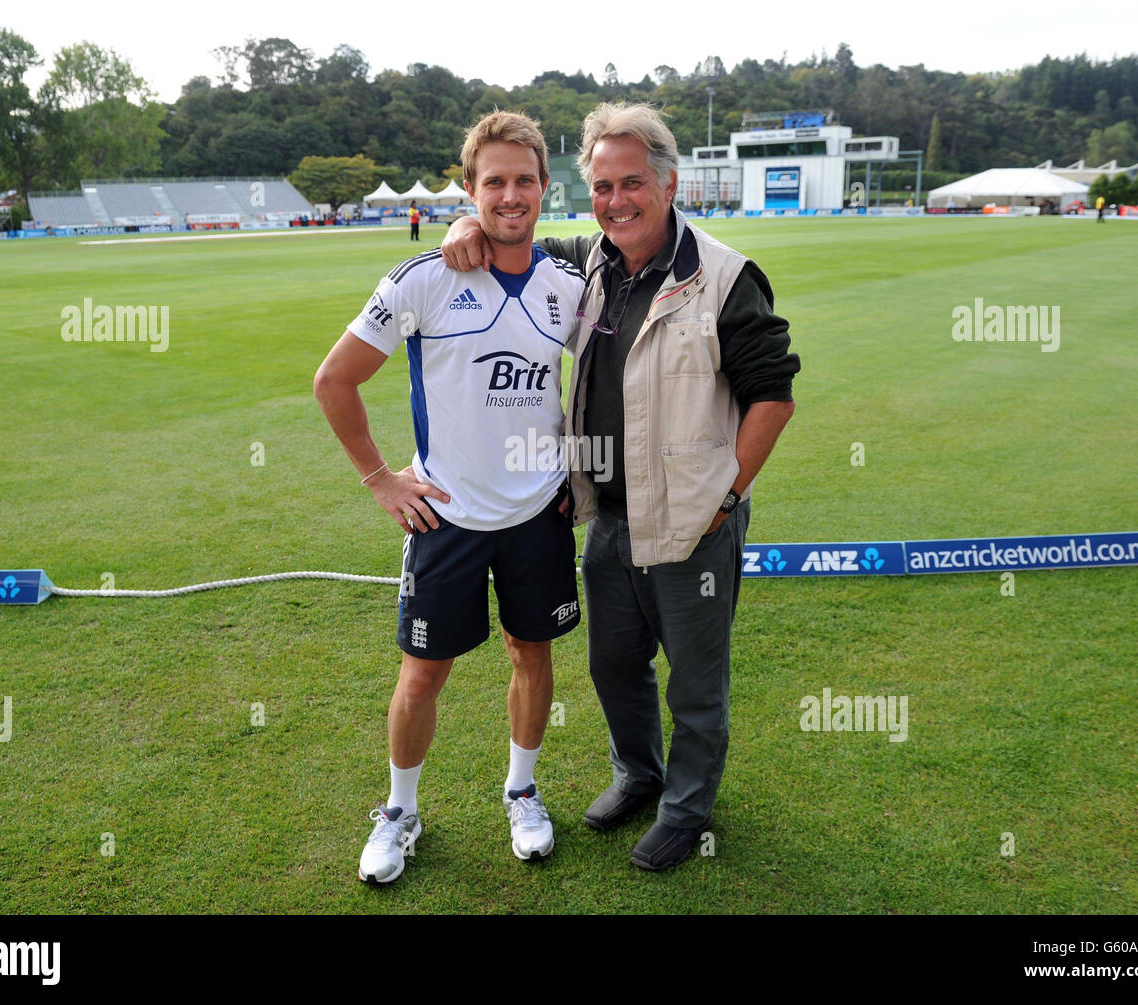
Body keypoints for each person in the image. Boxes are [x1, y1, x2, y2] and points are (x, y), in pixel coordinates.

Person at [441, 102, 799, 871]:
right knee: (613, 666)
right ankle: (639, 775)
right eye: (602, 186)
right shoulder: (590, 262)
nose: (617, 201)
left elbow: (774, 397)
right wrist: (463, 228)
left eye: (632, 182)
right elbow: (513, 239)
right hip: (607, 515)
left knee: (697, 685)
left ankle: (687, 808)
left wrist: (727, 499)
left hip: (695, 522)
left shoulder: (725, 278)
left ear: (669, 184)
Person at [313, 110, 586, 884]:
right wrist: (380, 479)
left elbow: (604, 383)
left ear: (543, 188)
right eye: (492, 182)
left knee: (531, 652)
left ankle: (522, 790)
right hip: (446, 515)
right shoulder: (424, 279)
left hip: (539, 515)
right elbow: (334, 380)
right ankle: (400, 810)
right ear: (469, 189)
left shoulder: (570, 286)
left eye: (524, 180)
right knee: (422, 671)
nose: (510, 195)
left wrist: (576, 470)